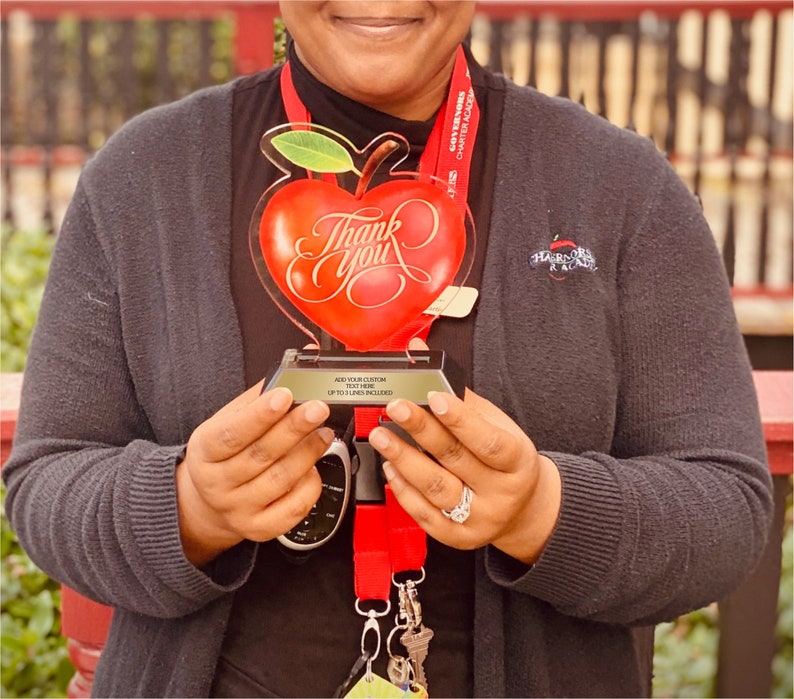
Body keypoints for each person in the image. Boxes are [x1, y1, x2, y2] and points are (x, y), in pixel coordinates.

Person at [3, 2, 774, 697]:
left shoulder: (620, 187)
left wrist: (542, 509)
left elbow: (726, 506)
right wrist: (187, 508)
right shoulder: (143, 178)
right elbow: (46, 483)